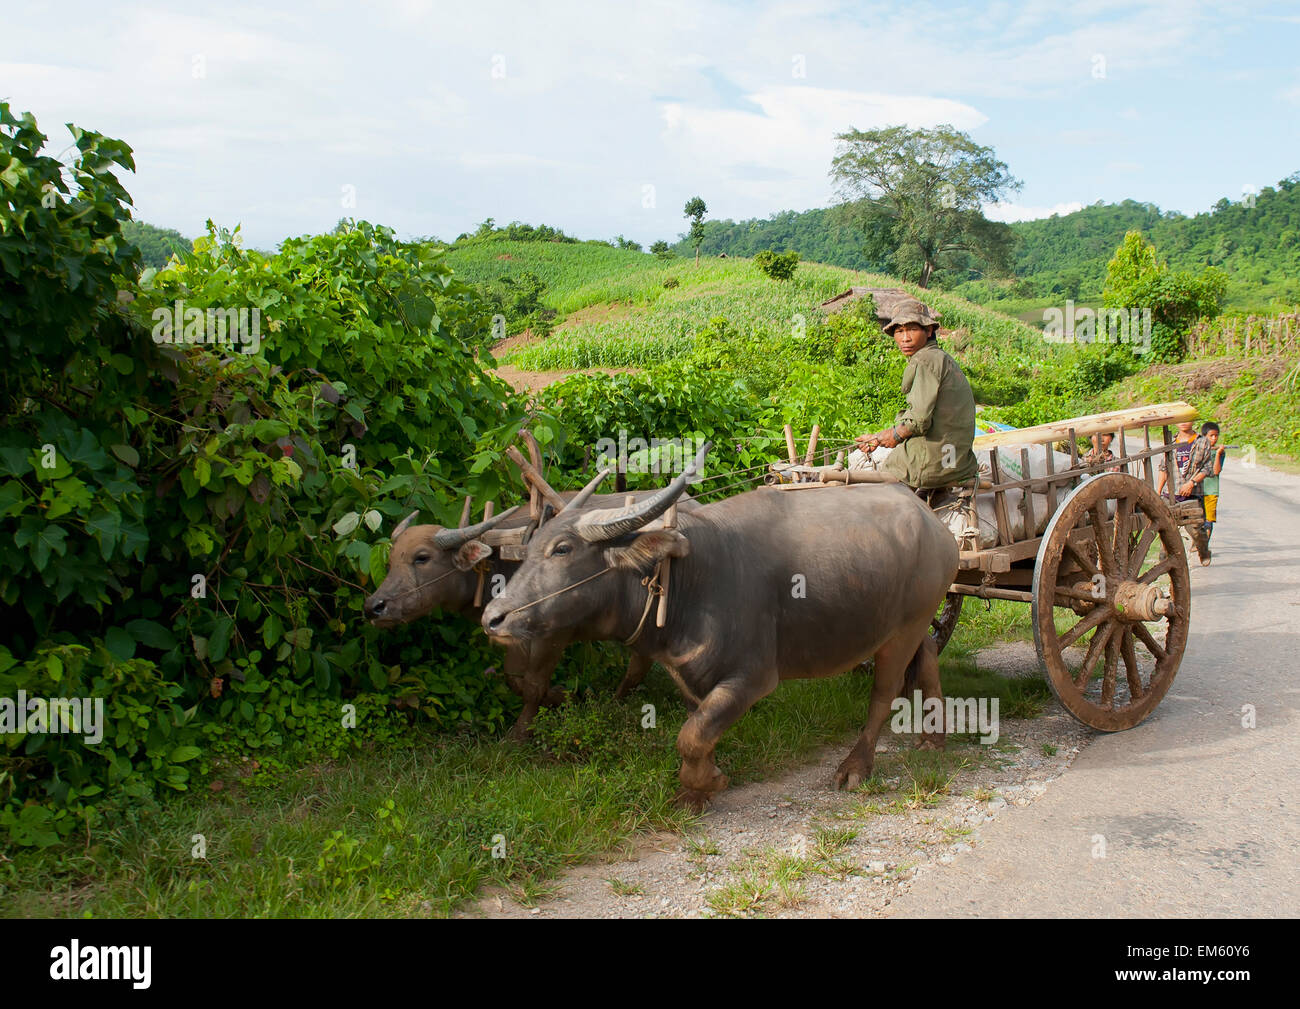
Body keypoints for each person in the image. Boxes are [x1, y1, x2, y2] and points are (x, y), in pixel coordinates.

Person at [855, 298, 978, 492]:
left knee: (879, 480)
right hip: (956, 460)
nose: (905, 338)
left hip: (934, 461)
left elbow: (918, 421)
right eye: (899, 331)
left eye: (912, 329)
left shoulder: (925, 361)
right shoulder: (941, 358)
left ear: (928, 331)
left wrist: (893, 435)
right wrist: (879, 437)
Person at [1156, 420, 1214, 564]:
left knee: (1196, 531)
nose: (1183, 423)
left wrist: (1191, 483)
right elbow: (1163, 469)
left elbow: (1207, 468)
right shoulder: (1170, 442)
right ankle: (1164, 562)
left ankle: (1204, 551)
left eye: (1187, 419)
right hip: (1170, 493)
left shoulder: (1202, 442)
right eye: (1180, 419)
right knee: (1166, 530)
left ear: (1193, 420)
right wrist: (1157, 493)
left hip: (1192, 494)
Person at [1199, 422, 1225, 548]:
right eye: (1211, 436)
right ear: (1204, 436)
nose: (1214, 439)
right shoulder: (1198, 450)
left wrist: (1218, 454)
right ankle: (1198, 542)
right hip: (1198, 490)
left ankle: (1204, 546)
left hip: (1211, 490)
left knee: (1209, 520)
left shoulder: (1219, 453)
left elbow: (1215, 471)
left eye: (1216, 436)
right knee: (1198, 519)